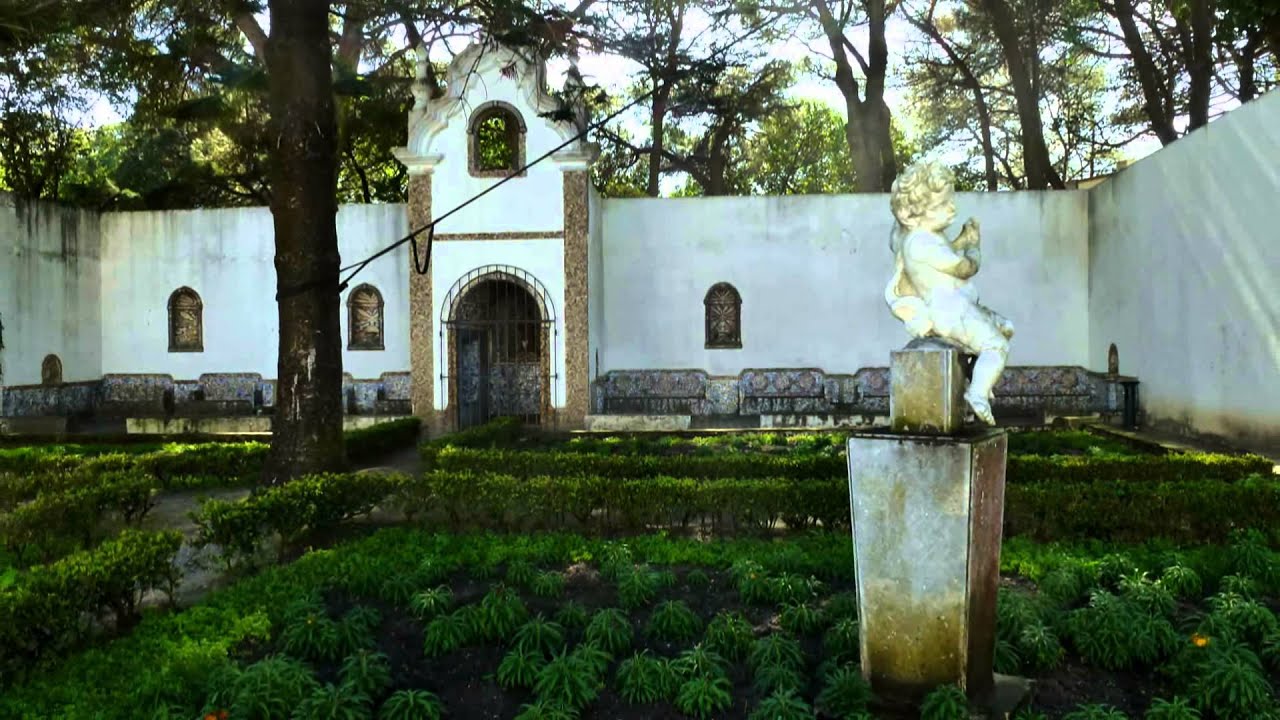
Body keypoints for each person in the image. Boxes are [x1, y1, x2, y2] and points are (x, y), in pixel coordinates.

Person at [884, 161, 1014, 424]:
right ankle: (978, 394)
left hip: (957, 308)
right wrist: (974, 248)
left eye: (950, 200)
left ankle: (978, 379)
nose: (952, 207)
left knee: (1005, 328)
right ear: (914, 214)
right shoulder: (920, 242)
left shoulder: (924, 238)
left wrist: (961, 240)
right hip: (952, 311)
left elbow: (943, 257)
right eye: (942, 205)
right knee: (996, 345)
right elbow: (964, 267)